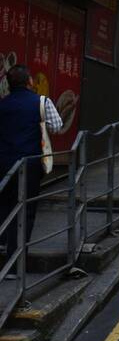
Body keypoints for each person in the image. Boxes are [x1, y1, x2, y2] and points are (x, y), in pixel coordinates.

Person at [0, 65, 63, 259]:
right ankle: (15, 259)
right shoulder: (41, 102)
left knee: (4, 205)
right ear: (29, 82)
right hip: (30, 163)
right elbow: (56, 127)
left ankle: (3, 244)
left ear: (8, 84)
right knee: (25, 210)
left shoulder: (3, 104)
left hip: (3, 163)